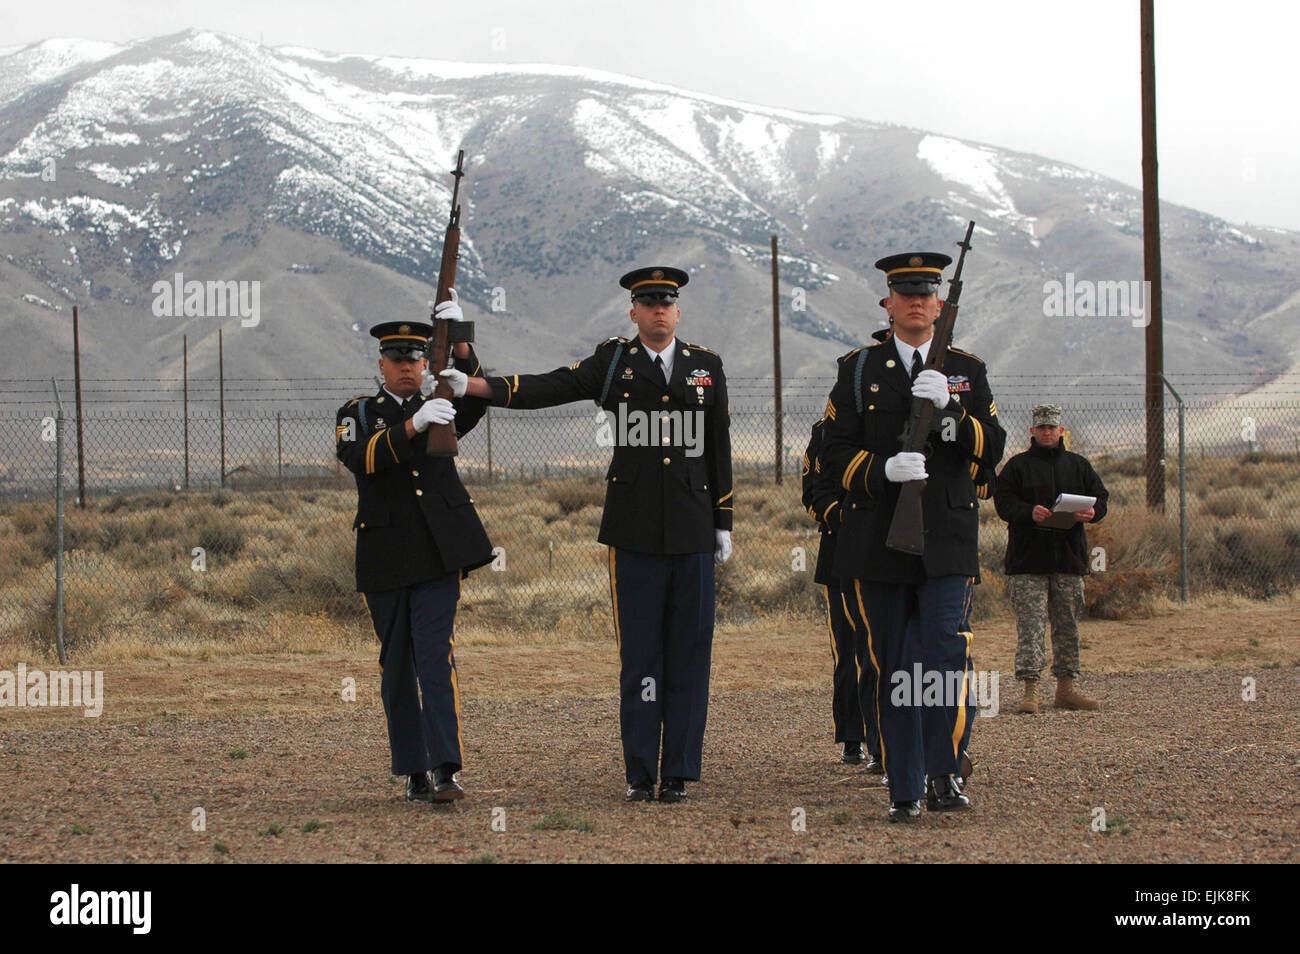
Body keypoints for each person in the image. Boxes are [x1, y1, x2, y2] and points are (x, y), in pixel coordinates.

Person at [448, 267, 732, 803]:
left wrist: (724, 521)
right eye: (647, 303)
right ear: (633, 313)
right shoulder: (615, 364)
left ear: (678, 310)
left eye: (666, 303)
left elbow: (718, 446)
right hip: (635, 529)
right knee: (641, 655)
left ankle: (679, 773)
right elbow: (550, 386)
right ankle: (641, 771)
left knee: (691, 652)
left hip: (694, 528)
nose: (658, 311)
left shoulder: (706, 367)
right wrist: (477, 385)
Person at [820, 251, 1005, 822]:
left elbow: (993, 447)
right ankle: (905, 786)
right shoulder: (858, 369)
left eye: (927, 292)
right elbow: (832, 451)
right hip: (879, 539)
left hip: (947, 540)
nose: (917, 300)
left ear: (940, 304)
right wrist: (881, 471)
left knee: (944, 655)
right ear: (888, 304)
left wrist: (951, 413)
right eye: (906, 292)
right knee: (894, 662)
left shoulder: (966, 369)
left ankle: (945, 772)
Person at [334, 292, 494, 803]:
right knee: (397, 664)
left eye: (416, 357)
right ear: (381, 363)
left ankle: (446, 767)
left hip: (437, 552)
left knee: (434, 655)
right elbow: (360, 458)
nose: (407, 367)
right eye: (398, 358)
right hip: (383, 554)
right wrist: (411, 426)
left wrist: (463, 348)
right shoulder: (357, 411)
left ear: (427, 361)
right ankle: (413, 770)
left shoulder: (440, 405)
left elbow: (478, 399)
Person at [993, 404, 1109, 714]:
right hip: (1027, 561)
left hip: (1068, 561)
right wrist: (1028, 512)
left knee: (1067, 626)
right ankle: (1030, 692)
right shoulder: (1017, 467)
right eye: (1041, 427)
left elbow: (1101, 498)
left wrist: (1092, 512)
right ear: (1032, 431)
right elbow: (1003, 503)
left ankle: (1066, 690)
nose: (1047, 432)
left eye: (1052, 427)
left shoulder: (1079, 466)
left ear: (1061, 431)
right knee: (1031, 627)